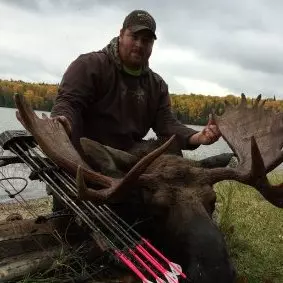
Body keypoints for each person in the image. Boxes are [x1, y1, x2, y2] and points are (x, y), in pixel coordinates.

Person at [50, 9, 221, 156]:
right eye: (134, 36)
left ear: (152, 45)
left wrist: (198, 136)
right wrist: (63, 122)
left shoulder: (156, 85)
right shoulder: (89, 65)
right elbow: (69, 103)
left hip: (126, 163)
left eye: (146, 40)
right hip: (83, 158)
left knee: (172, 154)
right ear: (121, 34)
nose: (139, 44)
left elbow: (167, 124)